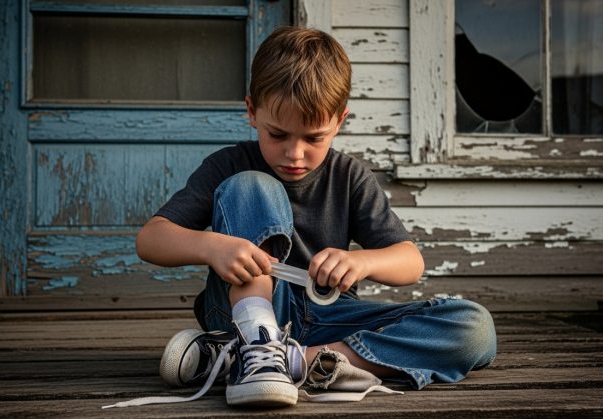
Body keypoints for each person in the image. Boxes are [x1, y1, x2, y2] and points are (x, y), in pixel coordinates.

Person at [135, 26, 496, 408]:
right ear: (251, 112)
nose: (294, 153)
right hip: (240, 311)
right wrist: (211, 246)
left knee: (473, 329)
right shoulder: (228, 164)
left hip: (329, 315)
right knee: (252, 186)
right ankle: (258, 344)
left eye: (313, 138)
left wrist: (361, 261)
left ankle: (293, 362)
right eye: (278, 134)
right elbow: (151, 239)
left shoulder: (350, 176)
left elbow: (410, 261)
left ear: (339, 121)